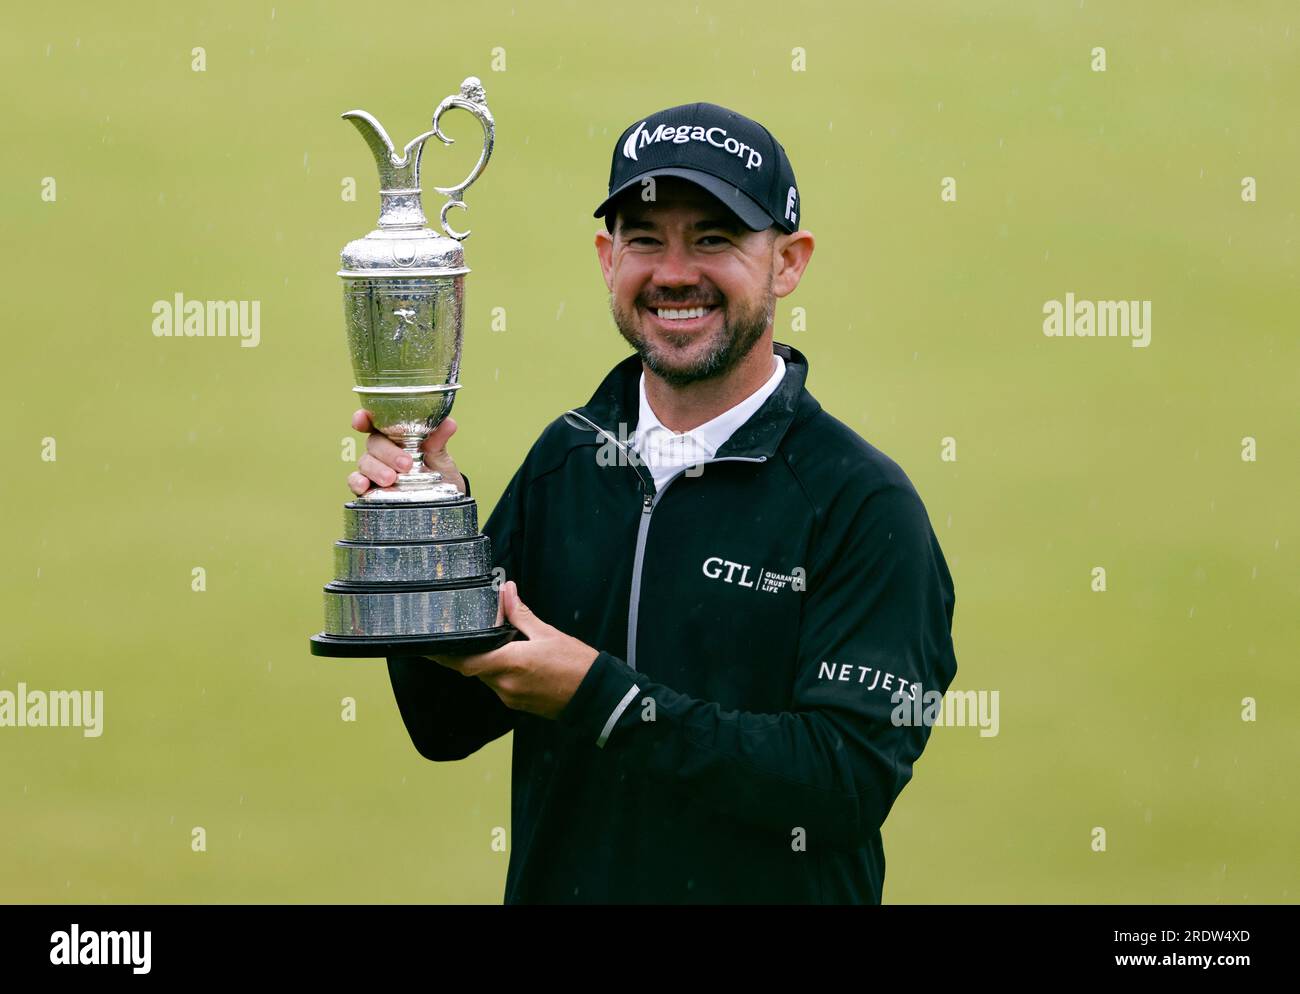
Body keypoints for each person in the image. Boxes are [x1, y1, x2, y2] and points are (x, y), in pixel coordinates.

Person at [348, 102, 959, 904]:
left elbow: (841, 785)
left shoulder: (861, 505)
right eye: (645, 238)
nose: (675, 272)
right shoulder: (567, 460)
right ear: (607, 258)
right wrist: (429, 532)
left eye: (713, 238)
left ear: (788, 262)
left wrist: (601, 697)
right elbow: (446, 725)